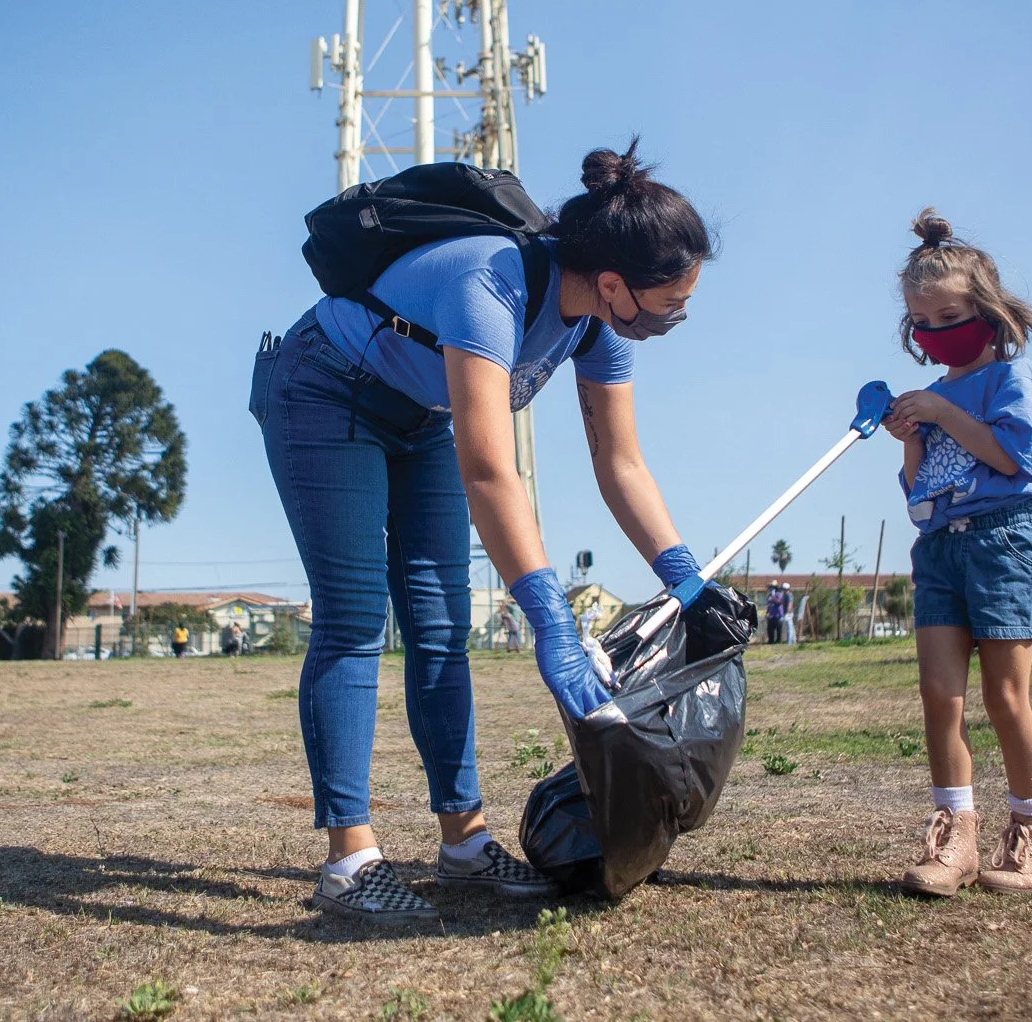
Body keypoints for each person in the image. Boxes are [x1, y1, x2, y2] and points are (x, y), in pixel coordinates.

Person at [252, 142, 717, 923]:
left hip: (422, 411)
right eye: (670, 301)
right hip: (326, 391)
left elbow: (620, 464)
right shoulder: (488, 281)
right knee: (356, 617)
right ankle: (351, 859)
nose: (679, 316)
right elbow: (492, 473)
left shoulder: (601, 322)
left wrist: (687, 579)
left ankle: (463, 842)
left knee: (441, 626)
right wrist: (551, 622)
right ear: (613, 282)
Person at [880, 209, 1032, 897]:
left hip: (1002, 543)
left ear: (986, 309)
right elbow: (918, 489)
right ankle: (956, 835)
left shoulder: (1010, 381)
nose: (934, 332)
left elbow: (1014, 458)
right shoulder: (937, 392)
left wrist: (940, 411)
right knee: (938, 695)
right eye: (921, 322)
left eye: (947, 315)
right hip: (938, 549)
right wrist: (910, 432)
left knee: (1007, 695)